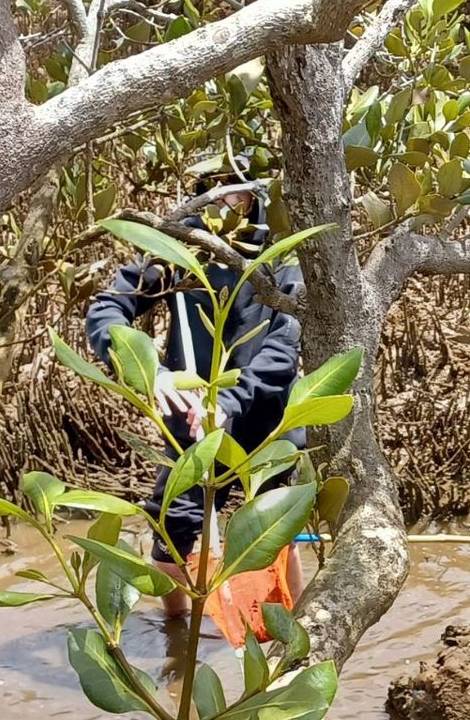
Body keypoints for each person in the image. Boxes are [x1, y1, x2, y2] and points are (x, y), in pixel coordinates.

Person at [85, 161, 305, 617]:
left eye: (239, 193)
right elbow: (108, 309)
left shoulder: (285, 256)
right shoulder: (175, 252)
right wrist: (146, 370)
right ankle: (179, 642)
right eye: (216, 191)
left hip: (269, 417)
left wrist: (227, 403)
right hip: (191, 418)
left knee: (275, 529)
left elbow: (285, 350)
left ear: (259, 197)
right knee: (170, 531)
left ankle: (293, 640)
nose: (227, 204)